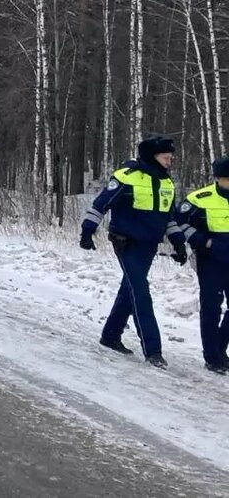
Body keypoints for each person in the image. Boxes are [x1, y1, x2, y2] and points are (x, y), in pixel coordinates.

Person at [80, 135, 187, 369]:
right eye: (166, 157)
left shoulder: (167, 183)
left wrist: (179, 244)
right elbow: (100, 204)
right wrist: (87, 232)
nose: (169, 162)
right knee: (140, 292)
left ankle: (110, 336)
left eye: (171, 158)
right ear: (152, 156)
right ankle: (153, 350)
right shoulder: (126, 177)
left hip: (149, 246)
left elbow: (169, 219)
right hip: (125, 242)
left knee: (129, 290)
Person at [175, 156, 229, 374]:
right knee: (211, 307)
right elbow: (179, 222)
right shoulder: (199, 199)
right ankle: (212, 357)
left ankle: (219, 348)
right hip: (211, 259)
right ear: (219, 178)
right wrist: (203, 241)